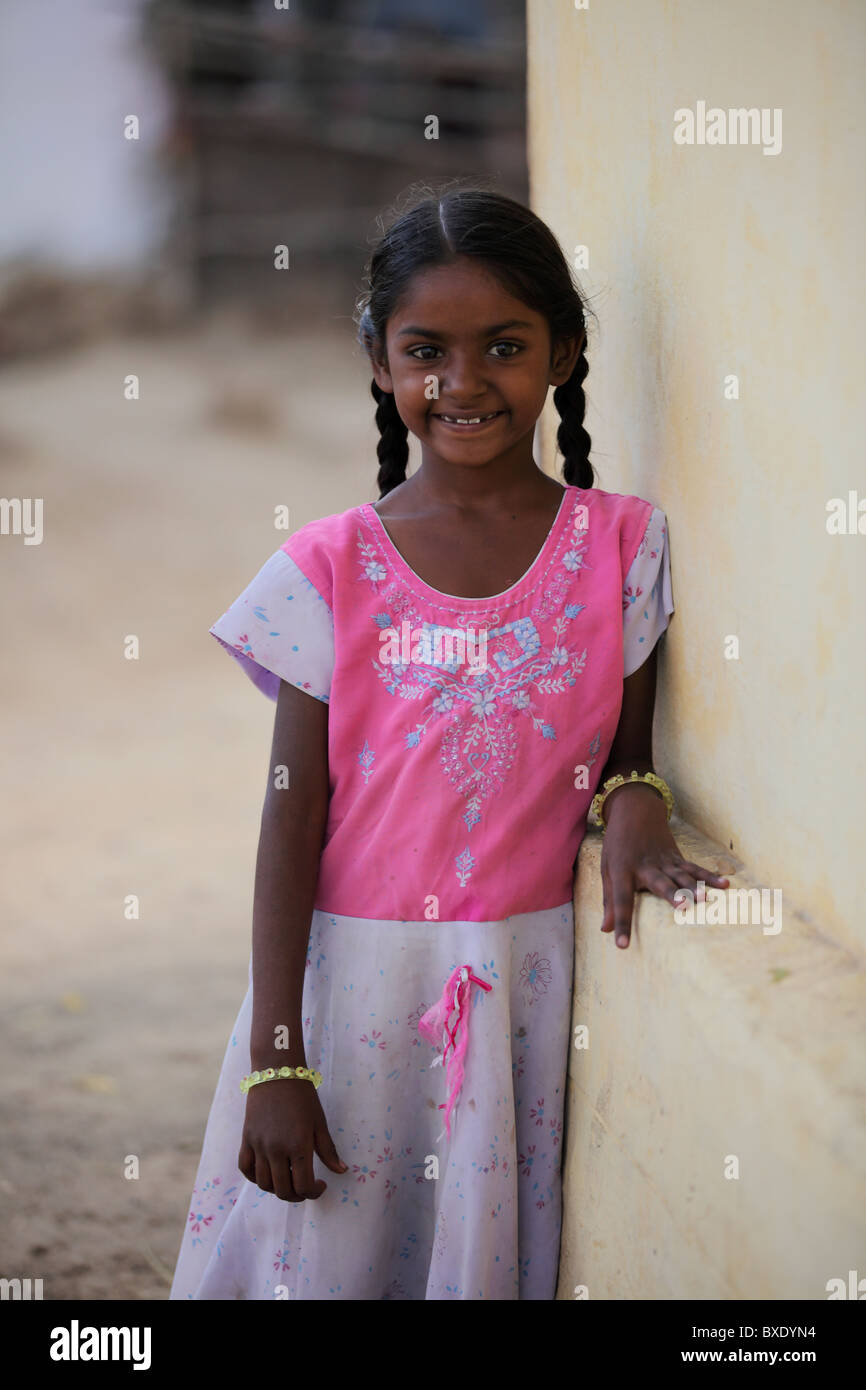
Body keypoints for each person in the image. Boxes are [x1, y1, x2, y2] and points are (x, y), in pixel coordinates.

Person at [169, 182, 729, 1301]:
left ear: (563, 353)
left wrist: (635, 796)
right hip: (346, 996)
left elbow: (627, 741)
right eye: (426, 350)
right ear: (379, 360)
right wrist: (279, 1057)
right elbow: (293, 813)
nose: (463, 384)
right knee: (322, 1255)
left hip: (514, 988)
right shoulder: (330, 567)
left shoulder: (622, 549)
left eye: (504, 347)